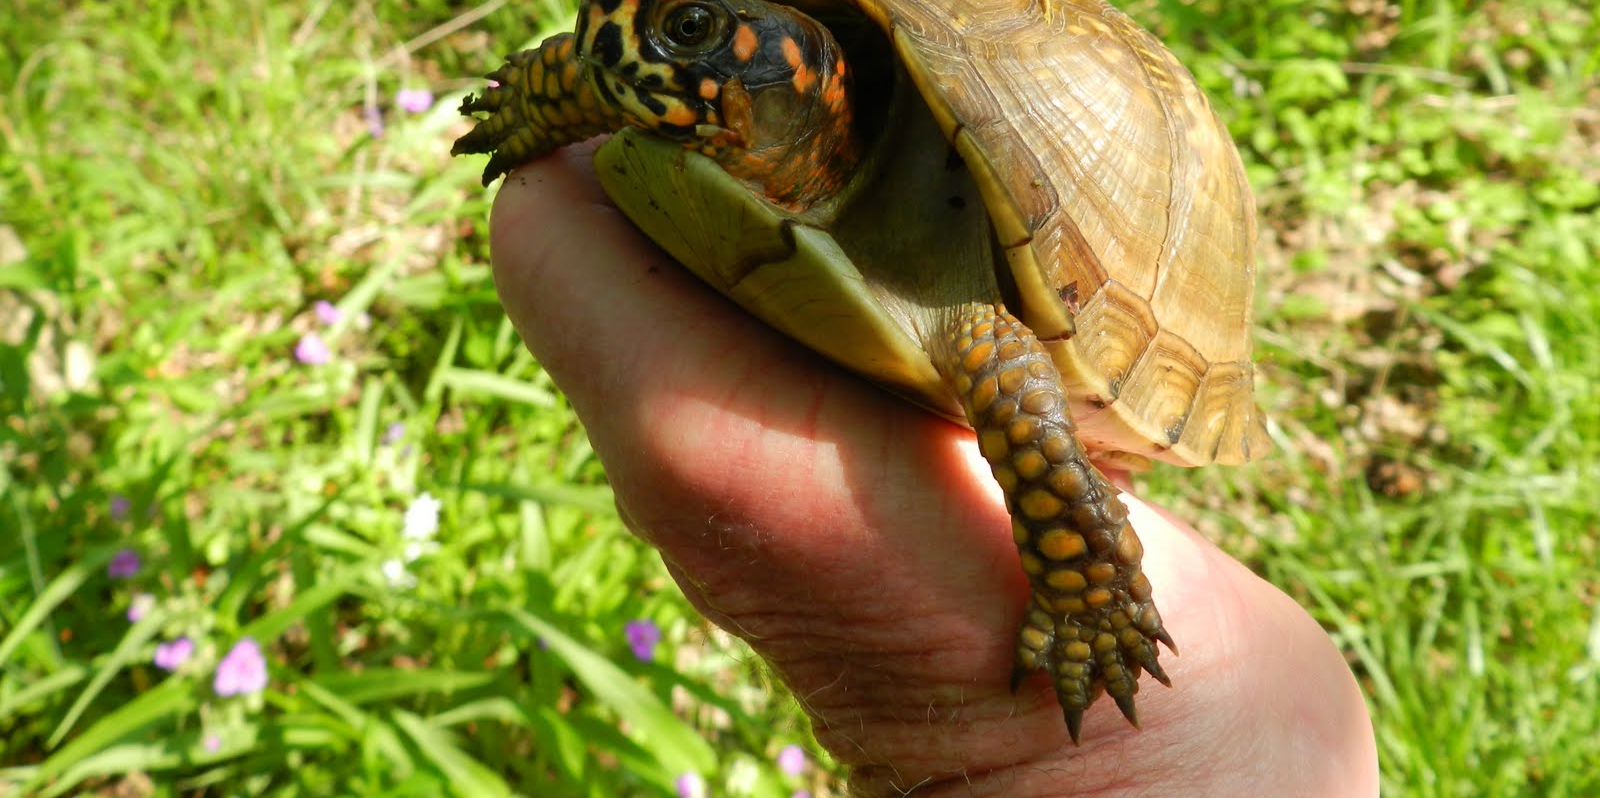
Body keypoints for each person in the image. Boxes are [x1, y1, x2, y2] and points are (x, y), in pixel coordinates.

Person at [488, 143, 1380, 797]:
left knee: (1010, 386)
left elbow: (1016, 379)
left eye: (699, 36)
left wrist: (1105, 725)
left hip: (959, 277)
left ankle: (1097, 594)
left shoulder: (976, 323)